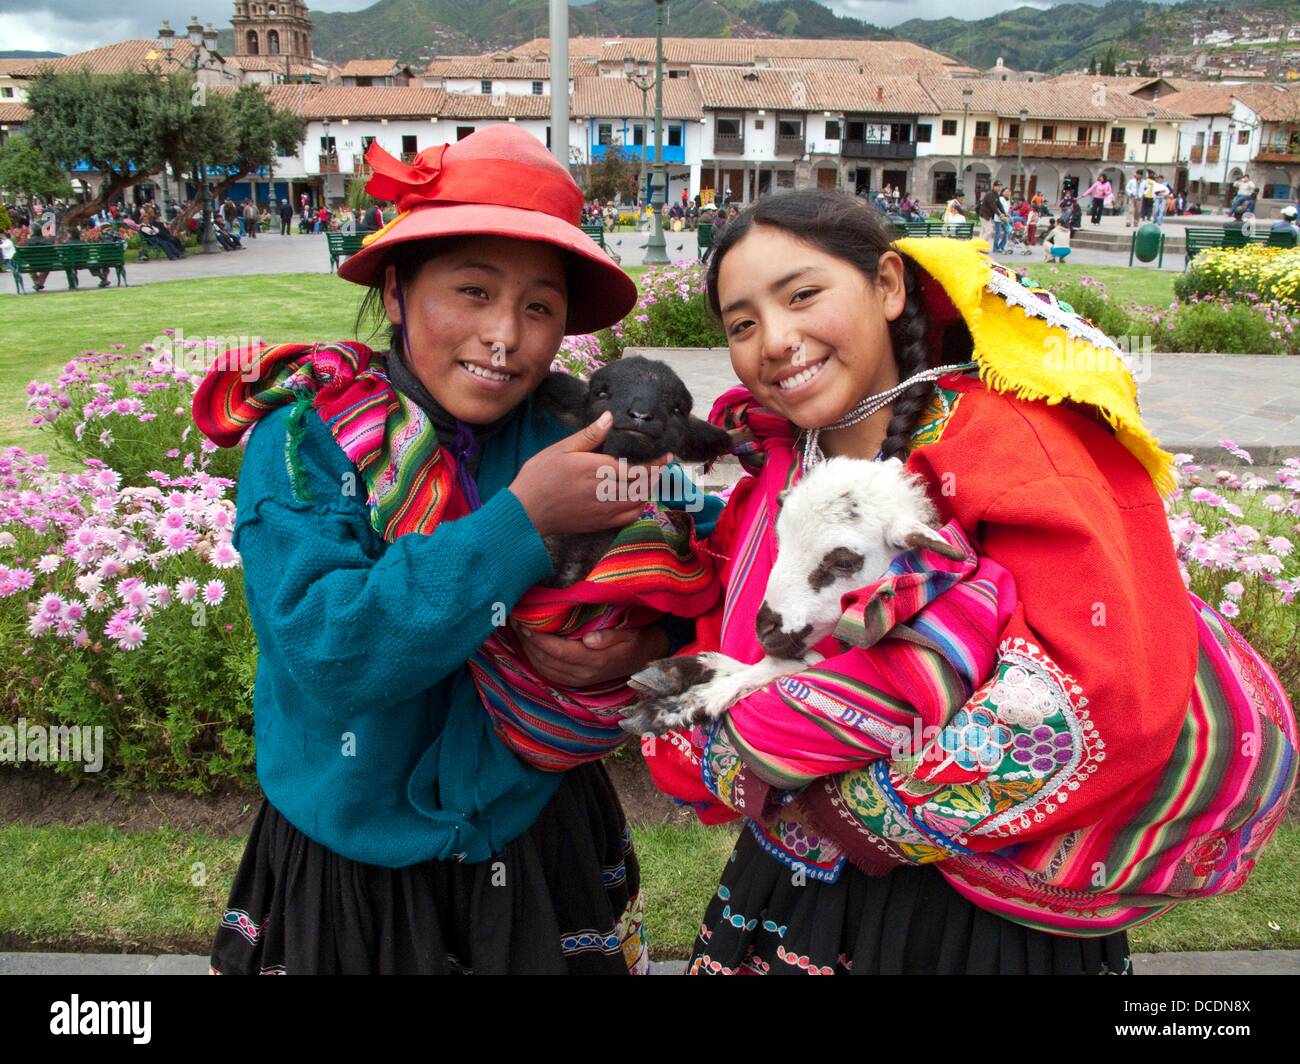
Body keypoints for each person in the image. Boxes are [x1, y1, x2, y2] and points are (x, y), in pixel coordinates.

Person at [635, 189, 1296, 975]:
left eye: (804, 295)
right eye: (742, 324)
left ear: (886, 285)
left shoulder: (1009, 440)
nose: (776, 340)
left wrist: (805, 780)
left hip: (975, 920)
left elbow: (1102, 691)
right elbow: (716, 676)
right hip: (788, 884)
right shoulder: (777, 473)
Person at [196, 125, 694, 975]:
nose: (505, 334)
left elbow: (704, 555)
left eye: (539, 307)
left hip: (534, 827)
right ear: (395, 292)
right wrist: (524, 524)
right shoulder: (307, 442)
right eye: (471, 290)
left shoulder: (584, 438)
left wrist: (655, 642)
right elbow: (333, 648)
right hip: (354, 845)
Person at [977, 181, 1002, 248]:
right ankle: (979, 245)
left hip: (988, 215)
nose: (999, 188)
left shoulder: (996, 194)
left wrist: (1004, 213)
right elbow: (993, 206)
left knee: (984, 231)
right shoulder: (990, 194)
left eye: (1000, 186)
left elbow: (999, 204)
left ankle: (982, 247)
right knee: (990, 231)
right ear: (994, 186)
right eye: (998, 186)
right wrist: (1000, 215)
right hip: (984, 215)